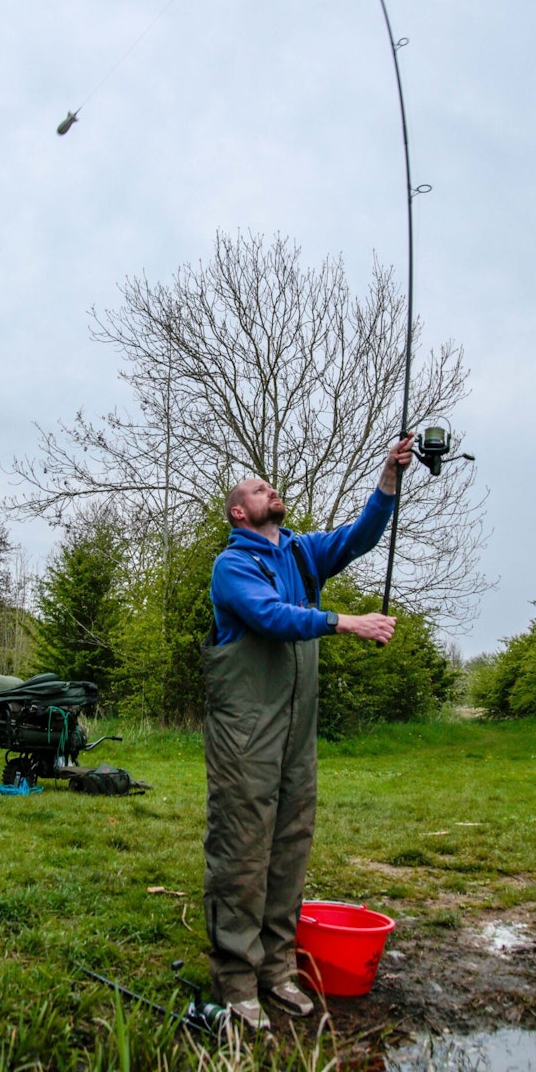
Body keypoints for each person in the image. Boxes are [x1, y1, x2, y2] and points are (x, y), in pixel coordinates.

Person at [202, 434, 416, 1030]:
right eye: (256, 488)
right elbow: (271, 616)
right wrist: (345, 621)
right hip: (246, 732)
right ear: (240, 512)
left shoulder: (302, 553)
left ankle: (275, 970)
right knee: (242, 848)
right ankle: (236, 981)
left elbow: (359, 536)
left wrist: (388, 477)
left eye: (269, 485)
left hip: (297, 732)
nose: (270, 488)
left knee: (290, 846)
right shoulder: (233, 565)